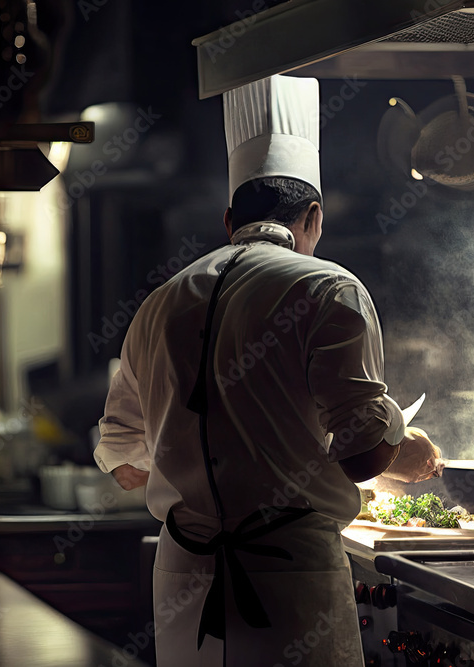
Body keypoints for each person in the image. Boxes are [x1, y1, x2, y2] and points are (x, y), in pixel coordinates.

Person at [94, 74, 443, 667]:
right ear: (314, 216)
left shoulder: (161, 302)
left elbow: (125, 465)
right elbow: (362, 457)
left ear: (229, 219)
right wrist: (399, 439)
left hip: (183, 574)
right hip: (288, 575)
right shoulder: (328, 286)